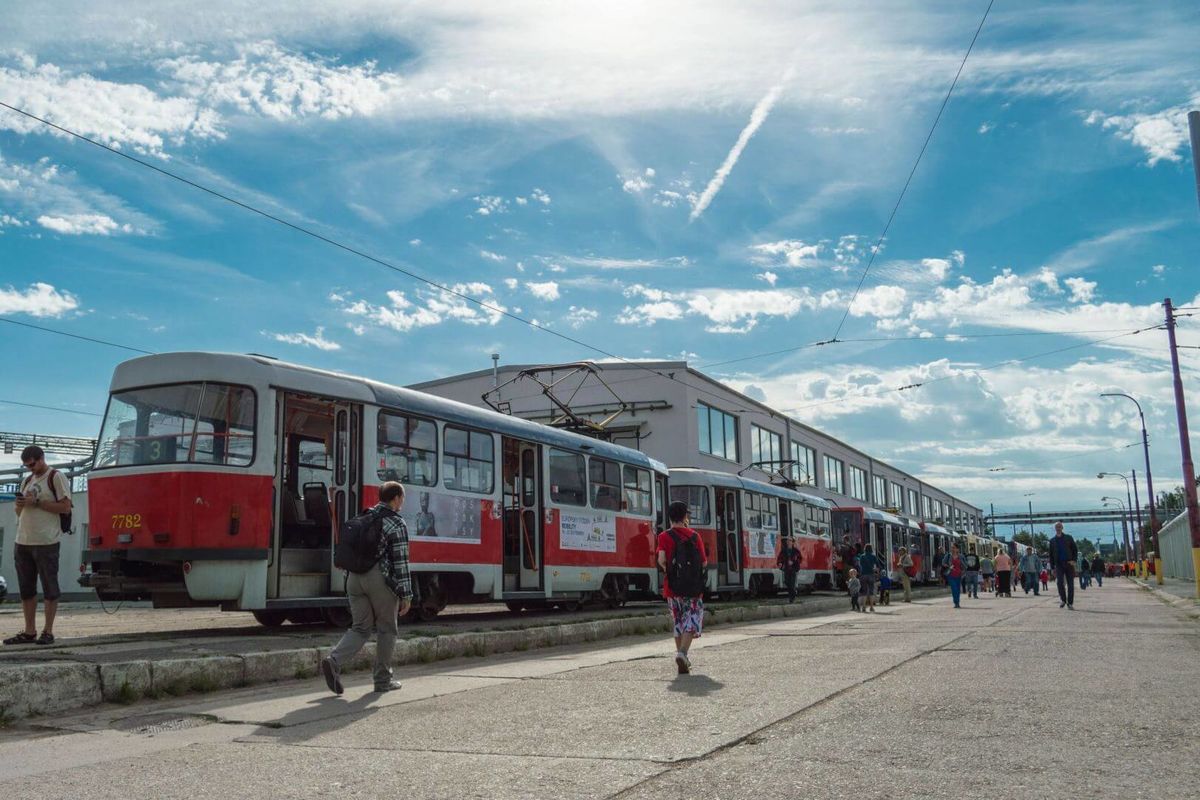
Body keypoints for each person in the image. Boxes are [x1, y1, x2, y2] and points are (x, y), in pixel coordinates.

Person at [322, 481, 412, 695]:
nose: (403, 502)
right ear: (396, 498)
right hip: (378, 579)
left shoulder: (363, 517)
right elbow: (401, 561)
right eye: (402, 498)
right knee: (387, 628)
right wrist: (406, 594)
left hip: (353, 578)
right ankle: (382, 681)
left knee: (361, 627)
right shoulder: (396, 522)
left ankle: (334, 660)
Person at [5, 446, 72, 647]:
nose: (30, 469)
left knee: (49, 587)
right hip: (23, 540)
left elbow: (65, 506)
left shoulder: (56, 477)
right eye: (26, 466)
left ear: (42, 458)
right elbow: (20, 512)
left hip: (46, 542)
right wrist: (20, 503)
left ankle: (48, 631)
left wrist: (37, 503)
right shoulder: (27, 480)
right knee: (26, 589)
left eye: (33, 464)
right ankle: (29, 631)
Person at [656, 500, 707, 674]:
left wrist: (670, 572)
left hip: (672, 587)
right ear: (685, 516)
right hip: (693, 589)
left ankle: (681, 655)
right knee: (691, 619)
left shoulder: (663, 536)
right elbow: (704, 562)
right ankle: (683, 653)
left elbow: (661, 560)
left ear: (669, 517)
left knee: (678, 621)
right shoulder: (695, 536)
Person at [1047, 522, 1078, 610]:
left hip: (1069, 563)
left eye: (1059, 527)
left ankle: (1070, 603)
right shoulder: (1052, 541)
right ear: (1055, 528)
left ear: (1062, 527)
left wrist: (1074, 560)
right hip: (1059, 564)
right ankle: (1063, 600)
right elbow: (1051, 555)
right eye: (1057, 527)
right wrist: (1052, 567)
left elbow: (1075, 549)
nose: (1058, 528)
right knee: (1059, 583)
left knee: (1070, 584)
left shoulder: (1068, 538)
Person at [776, 535, 803, 603]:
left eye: (790, 540)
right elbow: (779, 558)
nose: (788, 542)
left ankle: (791, 598)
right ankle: (793, 592)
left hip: (793, 569)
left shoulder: (796, 551)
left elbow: (800, 559)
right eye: (787, 540)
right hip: (786, 569)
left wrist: (793, 562)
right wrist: (779, 563)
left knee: (792, 583)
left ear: (792, 542)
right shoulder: (784, 550)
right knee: (787, 582)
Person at [856, 543, 882, 613]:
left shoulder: (862, 556)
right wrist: (876, 570)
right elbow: (878, 565)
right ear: (871, 549)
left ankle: (864, 607)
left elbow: (860, 565)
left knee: (864, 592)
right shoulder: (873, 556)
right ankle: (871, 607)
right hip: (871, 575)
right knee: (871, 591)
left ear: (865, 549)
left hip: (863, 575)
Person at [943, 544, 965, 608]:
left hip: (959, 575)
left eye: (954, 548)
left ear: (957, 549)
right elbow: (943, 563)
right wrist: (948, 566)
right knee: (954, 588)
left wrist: (963, 570)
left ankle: (957, 602)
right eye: (952, 548)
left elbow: (965, 564)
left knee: (958, 589)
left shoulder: (961, 556)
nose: (952, 549)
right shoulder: (948, 555)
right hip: (950, 574)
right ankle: (956, 602)